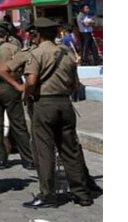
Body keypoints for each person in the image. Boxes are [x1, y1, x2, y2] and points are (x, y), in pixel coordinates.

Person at [21, 17, 101, 209]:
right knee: (70, 150)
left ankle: (47, 194)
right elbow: (75, 85)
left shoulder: (36, 53)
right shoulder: (66, 54)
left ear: (37, 35)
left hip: (44, 104)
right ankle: (82, 194)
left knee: (44, 150)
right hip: (65, 104)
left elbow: (31, 82)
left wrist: (26, 95)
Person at [0, 21, 35, 171]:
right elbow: (22, 66)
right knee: (18, 123)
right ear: (6, 36)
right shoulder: (13, 47)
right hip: (11, 86)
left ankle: (1, 159)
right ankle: (27, 159)